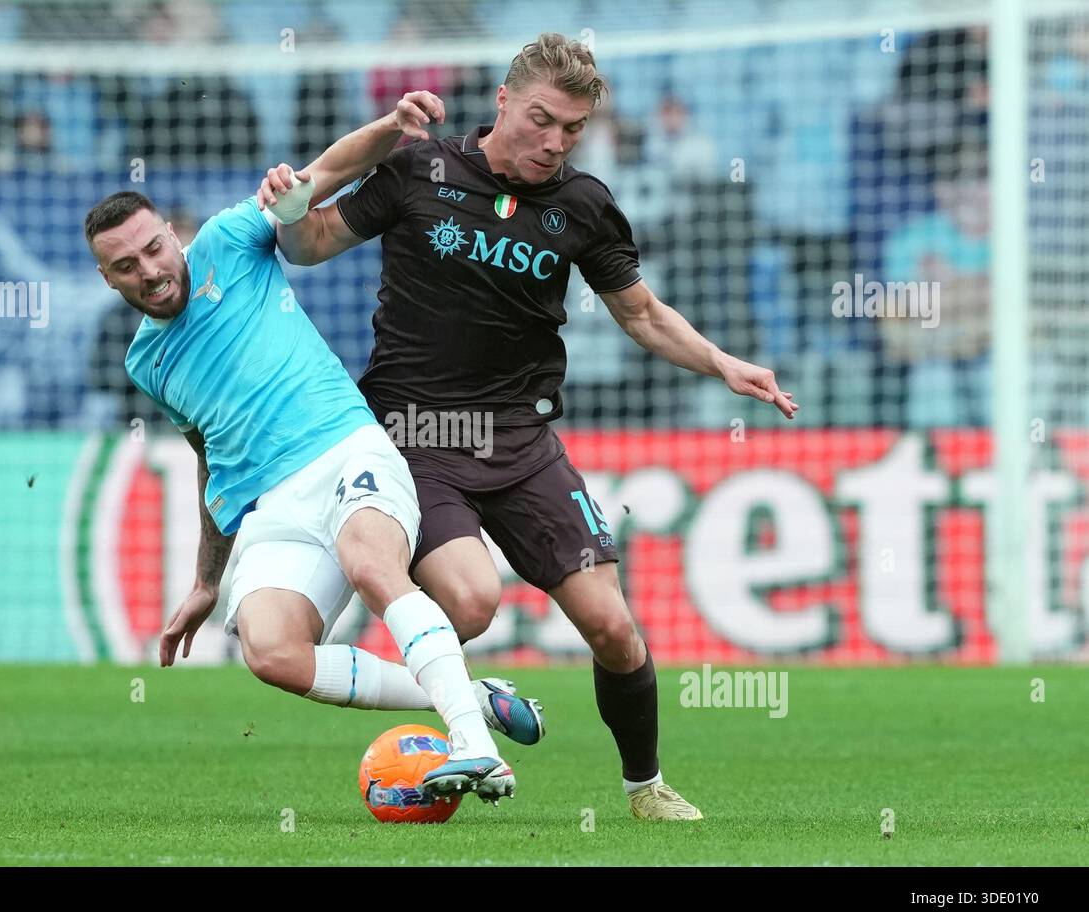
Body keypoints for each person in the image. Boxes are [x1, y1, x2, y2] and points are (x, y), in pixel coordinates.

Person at [257, 34, 799, 821]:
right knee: (471, 606)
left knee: (614, 628)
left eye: (573, 129)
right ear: (504, 100)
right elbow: (308, 246)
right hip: (417, 440)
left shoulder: (583, 205)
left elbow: (639, 313)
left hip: (519, 441)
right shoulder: (419, 170)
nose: (554, 141)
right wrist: (290, 200)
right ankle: (469, 702)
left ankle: (645, 790)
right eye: (542, 119)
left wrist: (723, 364)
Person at [83, 93, 544, 804]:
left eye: (152, 249)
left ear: (173, 237)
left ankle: (477, 749)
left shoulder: (230, 239)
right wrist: (208, 580)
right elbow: (210, 453)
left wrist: (393, 127)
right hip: (274, 508)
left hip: (346, 451)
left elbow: (326, 170)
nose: (147, 270)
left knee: (372, 565)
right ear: (107, 279)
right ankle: (468, 699)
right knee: (271, 654)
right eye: (125, 266)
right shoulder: (146, 363)